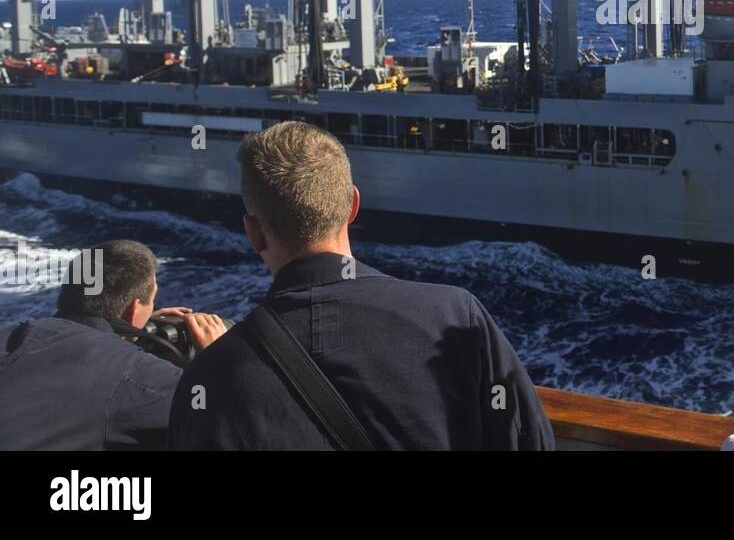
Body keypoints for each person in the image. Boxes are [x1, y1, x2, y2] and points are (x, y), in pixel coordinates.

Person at [169, 120, 554, 450]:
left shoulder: (211, 377)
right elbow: (530, 439)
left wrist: (221, 364)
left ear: (252, 232)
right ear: (352, 206)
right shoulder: (456, 317)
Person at [0, 239, 225, 450]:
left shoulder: (13, 335)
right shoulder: (135, 377)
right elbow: (215, 415)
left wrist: (133, 329)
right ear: (135, 308)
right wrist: (215, 361)